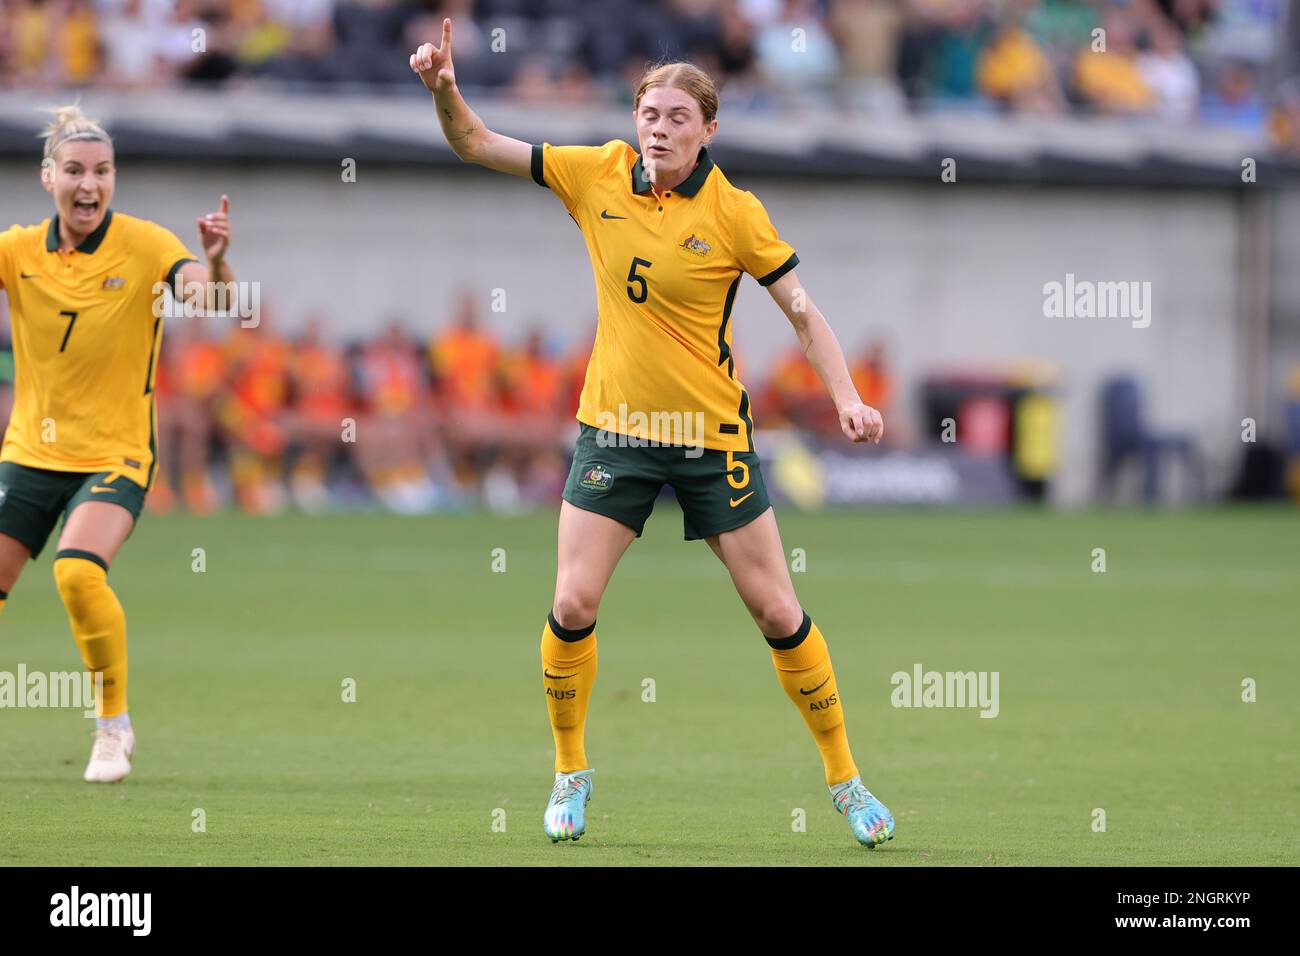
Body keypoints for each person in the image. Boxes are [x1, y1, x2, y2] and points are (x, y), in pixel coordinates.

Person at [410, 20, 894, 848]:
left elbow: (805, 317)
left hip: (711, 439)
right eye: (649, 113)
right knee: (571, 600)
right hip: (616, 432)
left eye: (677, 116)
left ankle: (847, 781)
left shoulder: (736, 213)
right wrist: (444, 89)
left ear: (708, 129)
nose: (659, 128)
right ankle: (570, 773)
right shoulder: (594, 172)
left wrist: (846, 396)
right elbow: (477, 144)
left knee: (779, 611)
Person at [0, 105, 235, 783]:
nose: (89, 184)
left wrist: (219, 265)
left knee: (76, 571)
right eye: (74, 170)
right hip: (28, 455)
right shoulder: (18, 251)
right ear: (49, 177)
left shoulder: (146, 246)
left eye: (102, 171)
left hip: (115, 454)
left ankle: (112, 727)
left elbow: (215, 302)